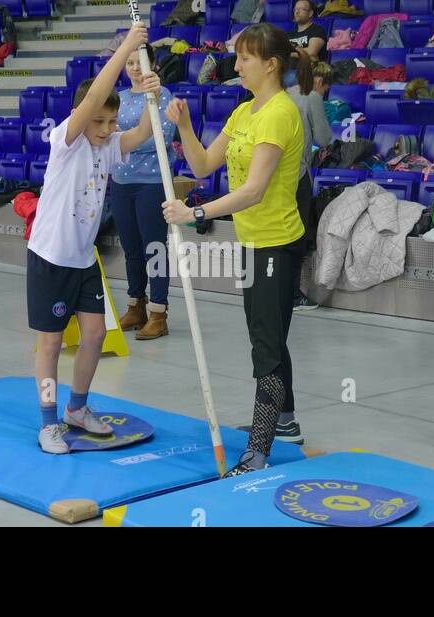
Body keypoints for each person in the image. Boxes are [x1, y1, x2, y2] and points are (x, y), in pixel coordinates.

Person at [162, 24, 310, 475]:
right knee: (268, 336)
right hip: (251, 241)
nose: (237, 65)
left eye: (245, 58)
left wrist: (195, 214)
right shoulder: (245, 111)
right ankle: (284, 422)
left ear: (270, 64)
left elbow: (254, 191)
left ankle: (259, 450)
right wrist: (185, 126)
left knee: (265, 346)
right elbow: (204, 163)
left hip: (276, 243)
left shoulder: (280, 113)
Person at [27, 23, 161, 454]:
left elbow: (141, 135)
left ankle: (77, 409)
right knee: (49, 343)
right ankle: (48, 423)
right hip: (50, 257)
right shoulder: (65, 141)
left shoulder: (107, 145)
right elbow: (93, 99)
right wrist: (126, 47)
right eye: (97, 121)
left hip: (84, 260)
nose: (104, 129)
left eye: (109, 121)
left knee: (95, 336)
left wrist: (149, 95)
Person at [111, 42, 177, 341]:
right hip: (121, 183)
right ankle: (135, 305)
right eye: (129, 64)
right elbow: (107, 135)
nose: (135, 69)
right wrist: (128, 138)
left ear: (154, 64)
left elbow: (161, 137)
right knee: (131, 249)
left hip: (152, 184)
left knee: (155, 249)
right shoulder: (119, 99)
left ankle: (158, 312)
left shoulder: (162, 96)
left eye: (140, 62)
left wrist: (123, 140)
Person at [287, 60, 333, 313]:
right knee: (296, 236)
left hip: (276, 176)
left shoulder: (284, 94)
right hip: (298, 174)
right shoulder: (313, 97)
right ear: (318, 81)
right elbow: (324, 138)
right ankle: (293, 295)